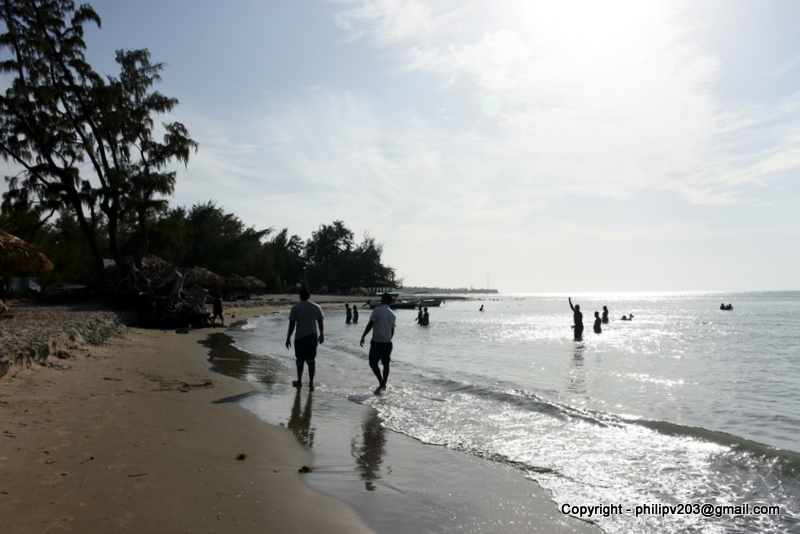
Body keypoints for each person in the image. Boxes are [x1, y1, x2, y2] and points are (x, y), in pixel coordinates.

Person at [285, 289, 324, 391]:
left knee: (300, 360)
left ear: (299, 296)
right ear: (309, 295)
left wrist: (288, 338)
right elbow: (320, 322)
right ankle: (311, 384)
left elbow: (292, 324)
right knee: (311, 361)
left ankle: (299, 381)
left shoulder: (295, 307)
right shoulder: (316, 307)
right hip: (312, 336)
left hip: (300, 337)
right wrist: (322, 334)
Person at [360, 292, 396, 394]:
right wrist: (389, 338)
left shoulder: (377, 310)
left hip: (377, 342)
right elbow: (392, 330)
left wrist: (363, 336)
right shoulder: (392, 314)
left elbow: (370, 324)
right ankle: (384, 384)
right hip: (388, 342)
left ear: (382, 300)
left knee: (373, 363)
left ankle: (381, 383)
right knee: (386, 363)